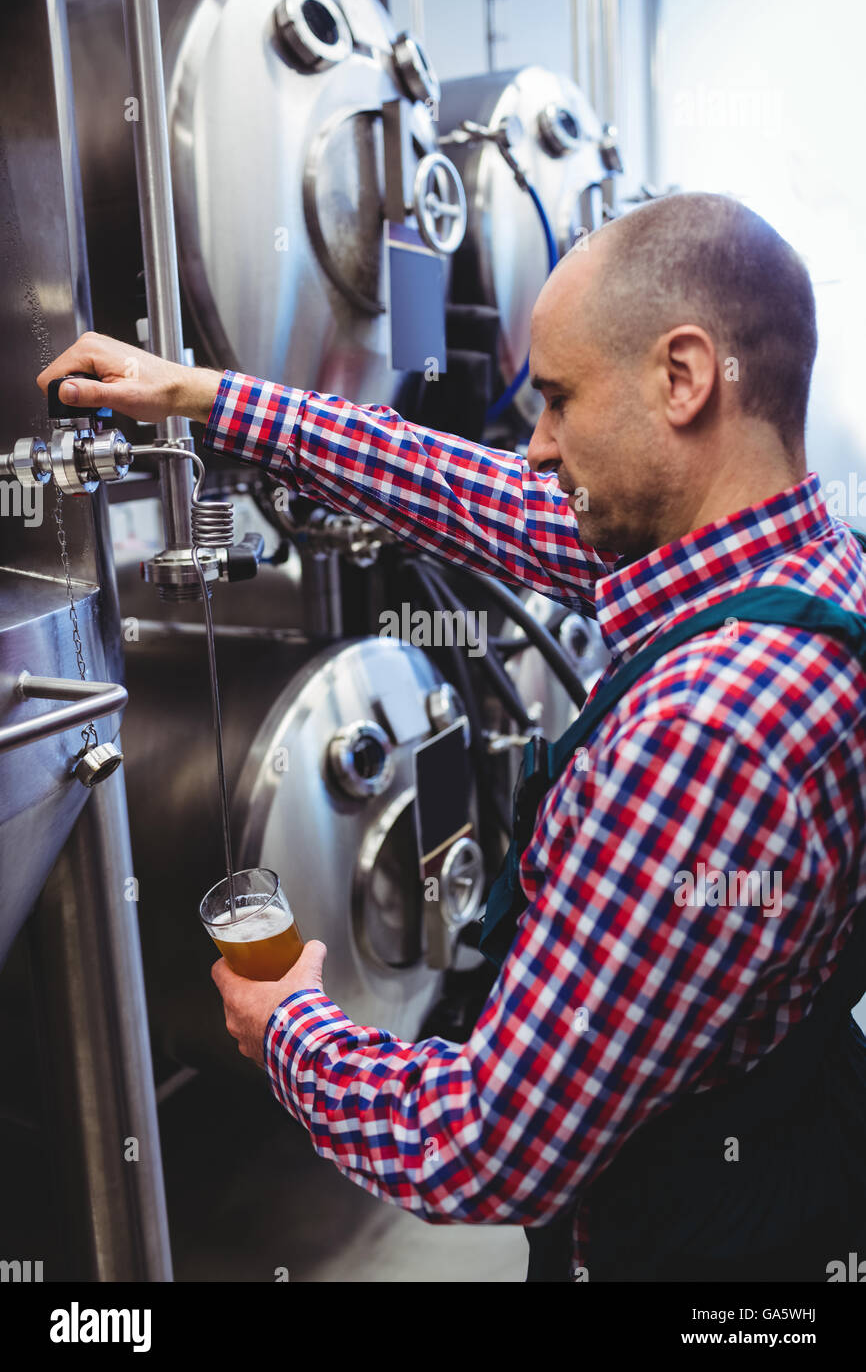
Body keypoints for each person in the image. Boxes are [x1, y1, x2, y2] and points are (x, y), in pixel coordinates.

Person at [38, 192, 866, 1282]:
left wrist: (292, 1031)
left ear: (682, 377)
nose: (535, 446)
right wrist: (209, 398)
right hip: (790, 1146)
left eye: (560, 401)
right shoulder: (803, 562)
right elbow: (477, 495)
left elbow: (485, 1142)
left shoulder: (703, 735)